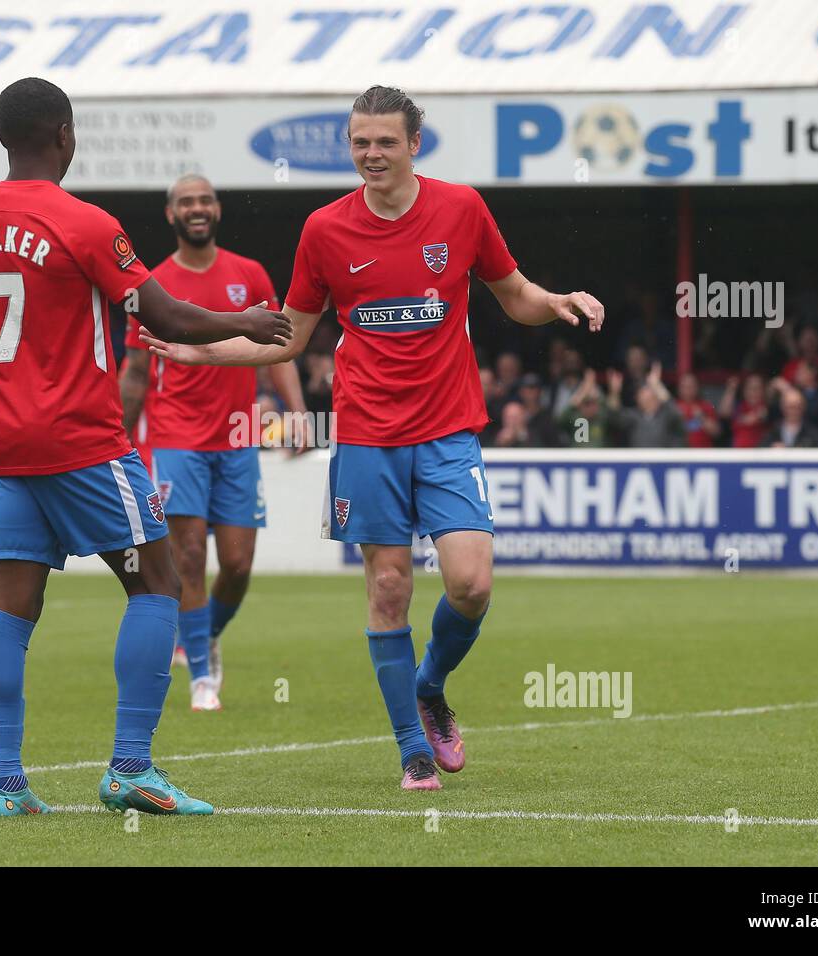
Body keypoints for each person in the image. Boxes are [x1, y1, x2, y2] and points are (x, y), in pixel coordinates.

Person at [141, 85, 604, 791]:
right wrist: (205, 353)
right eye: (360, 141)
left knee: (472, 585)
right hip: (365, 436)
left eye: (385, 141)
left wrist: (558, 300)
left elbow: (514, 295)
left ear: (414, 144)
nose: (372, 153)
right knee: (389, 587)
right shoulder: (325, 229)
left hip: (448, 429)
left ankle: (429, 684)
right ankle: (411, 750)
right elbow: (288, 336)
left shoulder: (462, 209)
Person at [0, 77, 290, 817]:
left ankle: (7, 786)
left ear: (3, 138)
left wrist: (1, 403)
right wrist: (248, 324)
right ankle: (130, 768)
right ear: (64, 134)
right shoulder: (88, 224)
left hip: (6, 447)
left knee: (13, 605)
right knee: (157, 583)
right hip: (84, 442)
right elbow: (163, 313)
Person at [119, 175, 308, 712]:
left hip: (239, 438)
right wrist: (119, 435)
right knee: (189, 553)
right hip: (175, 436)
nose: (196, 209)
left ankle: (202, 635)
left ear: (217, 209)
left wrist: (296, 415)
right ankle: (202, 676)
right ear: (170, 214)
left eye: (204, 200)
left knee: (240, 563)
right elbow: (136, 370)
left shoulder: (248, 274)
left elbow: (280, 346)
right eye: (186, 202)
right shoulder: (152, 282)